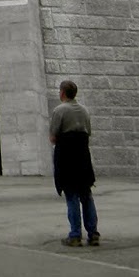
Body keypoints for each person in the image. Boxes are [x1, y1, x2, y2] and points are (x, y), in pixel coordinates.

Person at [50, 80, 99, 246]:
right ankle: (93, 234)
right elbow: (89, 132)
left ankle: (75, 235)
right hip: (83, 156)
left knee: (71, 195)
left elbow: (53, 137)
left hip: (67, 157)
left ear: (62, 93)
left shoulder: (59, 110)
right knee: (86, 195)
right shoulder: (85, 111)